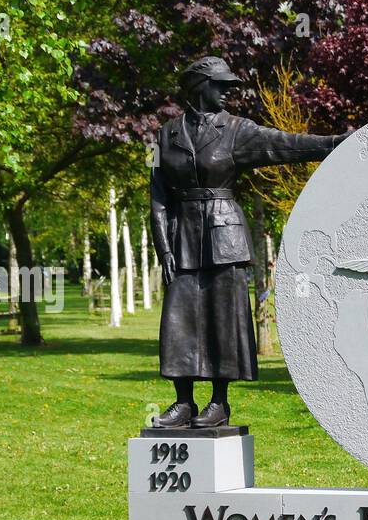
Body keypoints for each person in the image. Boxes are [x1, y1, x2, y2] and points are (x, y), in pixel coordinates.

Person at [148, 56, 349, 428]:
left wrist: (333, 143)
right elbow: (158, 196)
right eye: (220, 84)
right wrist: (163, 248)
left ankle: (219, 402)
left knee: (223, 316)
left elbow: (283, 144)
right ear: (198, 87)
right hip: (182, 238)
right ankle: (183, 402)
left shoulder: (236, 130)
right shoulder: (164, 135)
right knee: (180, 318)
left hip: (224, 236)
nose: (228, 92)